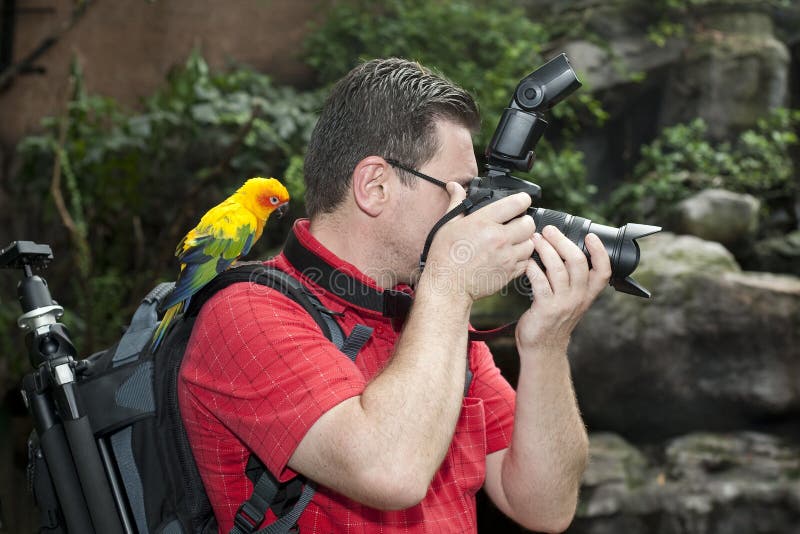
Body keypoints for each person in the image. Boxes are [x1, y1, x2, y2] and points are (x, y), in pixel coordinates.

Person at [179, 58, 612, 533]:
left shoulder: (428, 318)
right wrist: (449, 285)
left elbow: (544, 507)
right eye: (461, 191)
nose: (471, 210)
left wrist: (546, 346)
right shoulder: (245, 316)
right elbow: (389, 472)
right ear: (375, 185)